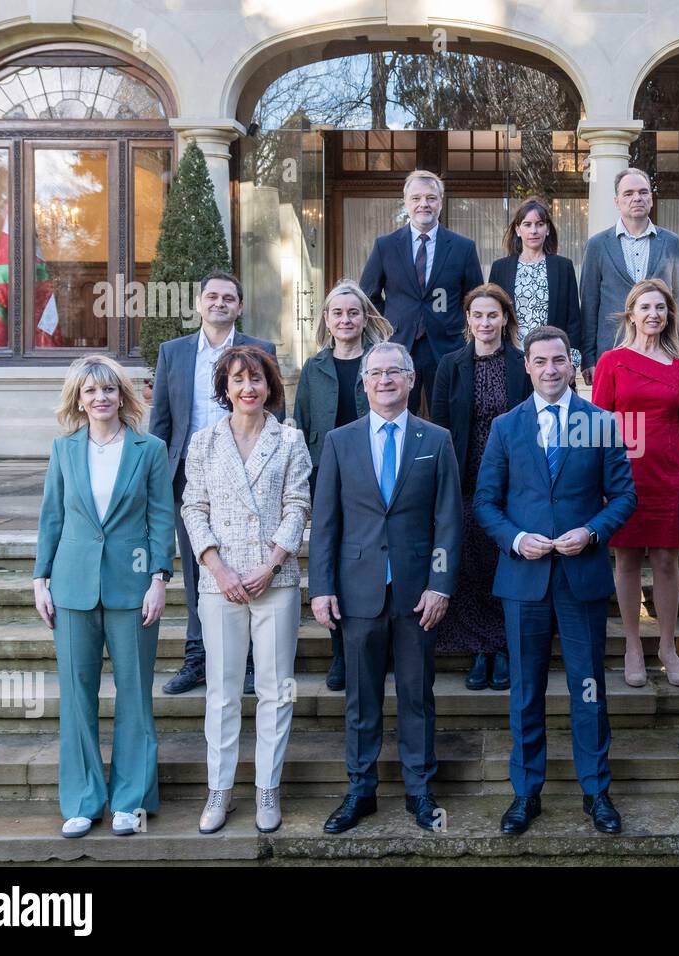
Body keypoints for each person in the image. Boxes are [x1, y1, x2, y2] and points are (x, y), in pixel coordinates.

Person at [475, 326, 637, 836]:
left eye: (558, 361)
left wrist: (592, 532)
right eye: (540, 361)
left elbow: (625, 497)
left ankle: (597, 792)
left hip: (580, 577)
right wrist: (515, 539)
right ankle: (526, 794)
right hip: (523, 579)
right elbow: (485, 503)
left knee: (589, 688)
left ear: (573, 365)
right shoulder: (505, 427)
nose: (549, 369)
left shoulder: (601, 423)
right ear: (527, 366)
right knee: (525, 690)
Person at [310, 342, 463, 834]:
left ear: (411, 378)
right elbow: (326, 522)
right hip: (357, 592)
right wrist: (321, 587)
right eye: (374, 373)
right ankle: (361, 790)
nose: (383, 380)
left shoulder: (436, 440)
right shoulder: (340, 441)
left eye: (393, 372)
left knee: (418, 695)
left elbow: (448, 521)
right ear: (364, 382)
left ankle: (420, 790)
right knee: (361, 697)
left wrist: (441, 584)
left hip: (418, 594)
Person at [34, 356, 174, 839]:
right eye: (90, 391)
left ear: (122, 395)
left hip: (133, 589)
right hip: (72, 588)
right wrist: (40, 579)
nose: (100, 399)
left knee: (135, 695)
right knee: (76, 697)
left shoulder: (149, 449)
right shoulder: (63, 449)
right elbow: (52, 516)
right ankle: (82, 799)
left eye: (109, 390)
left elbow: (161, 517)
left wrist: (159, 577)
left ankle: (130, 799)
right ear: (78, 398)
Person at [179, 346, 311, 835]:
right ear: (225, 388)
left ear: (270, 386)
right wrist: (218, 568)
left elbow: (299, 505)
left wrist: (272, 562)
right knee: (222, 692)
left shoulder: (291, 440)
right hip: (221, 586)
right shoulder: (203, 443)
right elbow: (193, 508)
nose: (247, 388)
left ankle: (267, 790)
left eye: (256, 379)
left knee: (277, 692)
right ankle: (220, 790)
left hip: (274, 581)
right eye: (238, 380)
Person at [150, 270, 283, 696]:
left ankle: (245, 660)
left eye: (229, 297)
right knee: (196, 567)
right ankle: (197, 657)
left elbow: (275, 411)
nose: (220, 303)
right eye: (212, 296)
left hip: (247, 472)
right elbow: (162, 421)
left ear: (239, 306)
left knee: (246, 558)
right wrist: (155, 474)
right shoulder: (173, 352)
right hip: (190, 472)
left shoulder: (260, 350)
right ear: (199, 303)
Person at [591, 279, 679, 687]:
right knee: (626, 561)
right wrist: (601, 477)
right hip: (624, 475)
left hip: (670, 473)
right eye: (645, 307)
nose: (653, 314)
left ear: (668, 314)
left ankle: (667, 645)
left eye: (661, 307)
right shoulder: (611, 362)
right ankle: (633, 644)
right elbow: (600, 424)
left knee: (667, 561)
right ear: (631, 313)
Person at [431, 284, 533, 691]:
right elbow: (438, 423)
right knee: (471, 560)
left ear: (505, 318)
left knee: (504, 560)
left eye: (493, 315)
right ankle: (478, 649)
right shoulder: (450, 364)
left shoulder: (522, 363)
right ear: (468, 320)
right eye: (478, 315)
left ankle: (503, 646)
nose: (485, 322)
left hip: (513, 477)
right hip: (465, 474)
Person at [293, 280, 394, 691]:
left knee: (377, 556)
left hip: (376, 474)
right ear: (327, 320)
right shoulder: (314, 369)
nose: (346, 319)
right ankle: (341, 652)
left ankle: (382, 646)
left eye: (353, 312)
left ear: (365, 316)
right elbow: (300, 427)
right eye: (337, 313)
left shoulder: (382, 362)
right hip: (326, 475)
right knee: (335, 559)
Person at [358, 169, 485, 413]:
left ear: (440, 202)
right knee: (397, 413)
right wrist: (391, 320)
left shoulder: (463, 247)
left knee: (449, 414)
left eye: (430, 198)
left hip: (448, 346)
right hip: (399, 345)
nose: (423, 204)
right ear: (405, 202)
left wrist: (460, 326)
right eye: (416, 198)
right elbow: (367, 296)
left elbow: (475, 300)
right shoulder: (385, 246)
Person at [580, 168, 679, 381]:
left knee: (657, 414)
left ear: (651, 198)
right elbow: (589, 304)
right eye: (628, 193)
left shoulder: (670, 243)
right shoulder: (597, 245)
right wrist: (589, 359)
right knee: (614, 415)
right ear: (616, 201)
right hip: (612, 351)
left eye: (643, 192)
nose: (637, 198)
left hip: (662, 351)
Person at [487, 196, 582, 367]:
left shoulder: (563, 267)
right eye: (527, 224)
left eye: (539, 224)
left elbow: (573, 319)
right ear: (518, 229)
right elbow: (493, 314)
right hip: (510, 359)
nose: (533, 231)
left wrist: (572, 364)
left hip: (552, 361)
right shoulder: (500, 268)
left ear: (547, 229)